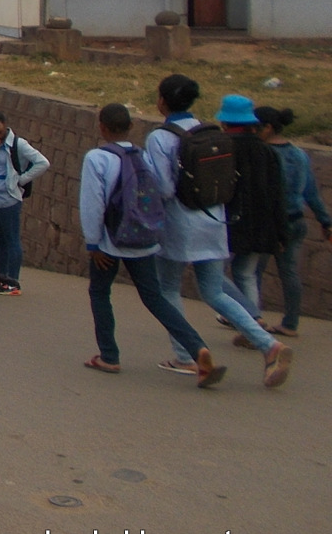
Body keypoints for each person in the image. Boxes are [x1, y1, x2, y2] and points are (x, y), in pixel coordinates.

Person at [147, 79, 292, 387]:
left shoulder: (160, 138)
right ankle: (269, 346)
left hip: (178, 225)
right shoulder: (209, 132)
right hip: (214, 220)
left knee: (168, 288)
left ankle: (186, 356)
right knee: (214, 291)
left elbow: (164, 187)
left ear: (162, 102)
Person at [79, 102, 225, 386]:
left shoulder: (97, 158)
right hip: (143, 239)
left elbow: (92, 204)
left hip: (110, 241)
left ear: (102, 127)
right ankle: (198, 349)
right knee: (154, 297)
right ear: (131, 127)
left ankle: (109, 355)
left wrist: (93, 243)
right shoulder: (142, 156)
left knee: (99, 292)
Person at [246, 106, 332, 337]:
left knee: (252, 271)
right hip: (295, 221)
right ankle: (290, 323)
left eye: (255, 127)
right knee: (289, 272)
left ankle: (251, 318)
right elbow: (311, 192)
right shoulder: (299, 154)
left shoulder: (265, 155)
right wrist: (325, 221)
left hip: (269, 223)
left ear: (268, 128)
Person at [223, 101, 291, 333]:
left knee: (214, 274)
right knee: (246, 273)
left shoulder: (224, 147)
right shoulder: (267, 152)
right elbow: (277, 195)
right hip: (261, 225)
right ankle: (252, 324)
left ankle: (249, 319)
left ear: (225, 122)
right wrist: (282, 233)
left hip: (227, 223)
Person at [0, 104, 50, 295]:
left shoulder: (18, 144)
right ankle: (2, 277)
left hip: (9, 196)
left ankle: (13, 281)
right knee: (0, 239)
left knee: (11, 239)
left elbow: (42, 162)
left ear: (4, 124)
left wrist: (22, 179)